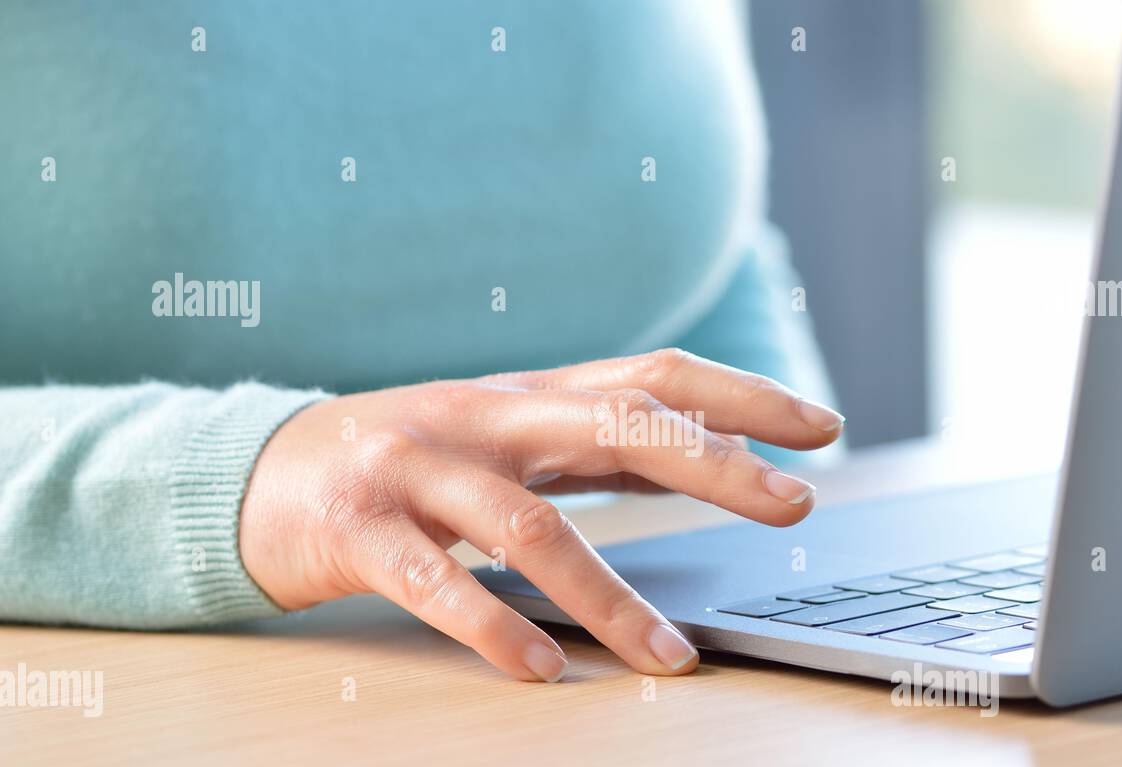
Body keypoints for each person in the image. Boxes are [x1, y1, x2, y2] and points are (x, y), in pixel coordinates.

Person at [0, 0, 843, 682]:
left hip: (628, 672)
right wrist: (236, 475)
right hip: (164, 700)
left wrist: (817, 565)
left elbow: (699, 250)